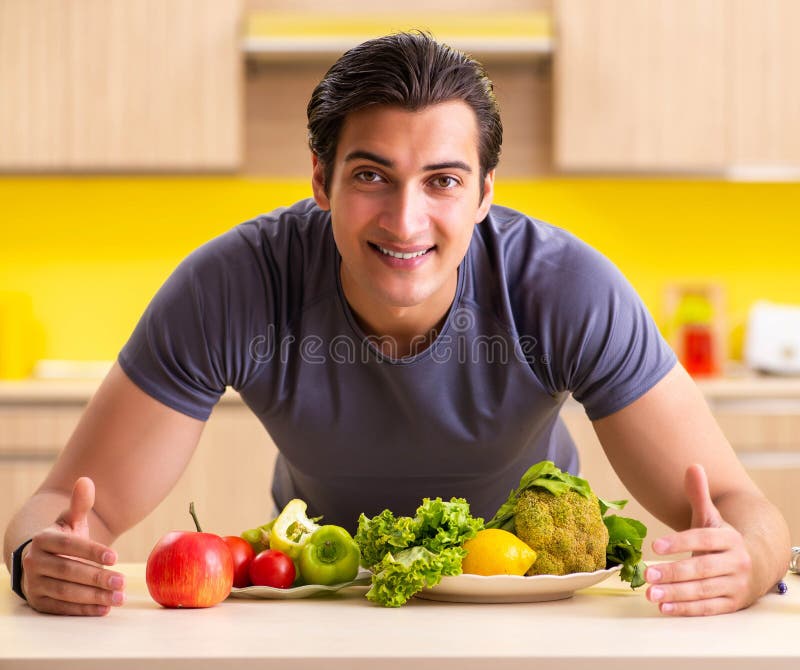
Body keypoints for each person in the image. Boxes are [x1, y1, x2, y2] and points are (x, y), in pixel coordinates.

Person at [4, 32, 790, 618]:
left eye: (442, 181)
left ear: (484, 194)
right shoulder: (232, 286)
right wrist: (38, 558)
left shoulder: (564, 289)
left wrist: (748, 560)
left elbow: (738, 505)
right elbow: (59, 511)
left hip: (532, 602)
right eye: (371, 175)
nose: (406, 220)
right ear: (321, 179)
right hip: (331, 594)